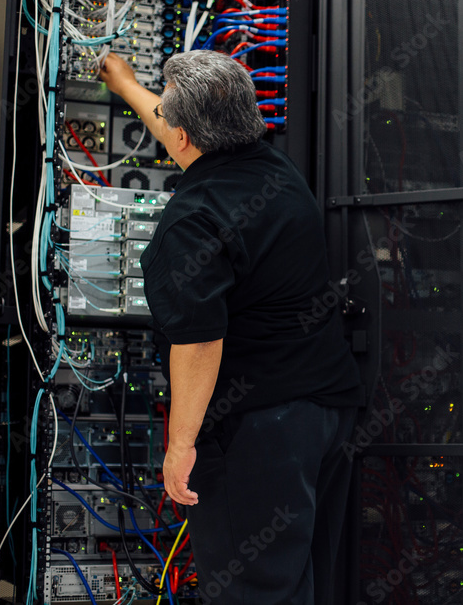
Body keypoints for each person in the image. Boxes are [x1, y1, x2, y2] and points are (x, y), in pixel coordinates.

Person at [99, 51, 364, 605]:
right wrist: (126, 84)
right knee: (304, 582)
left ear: (185, 137)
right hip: (326, 414)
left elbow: (198, 343)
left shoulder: (192, 219)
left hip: (259, 433)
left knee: (254, 593)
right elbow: (178, 126)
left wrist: (180, 445)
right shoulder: (274, 168)